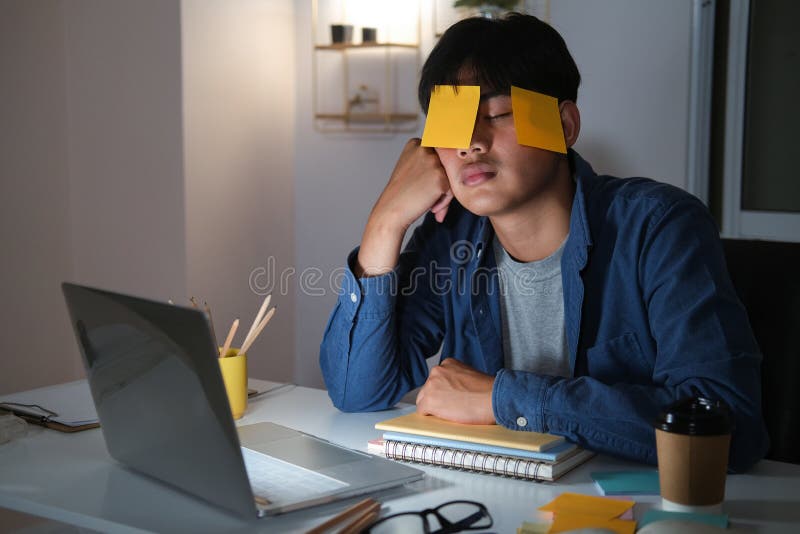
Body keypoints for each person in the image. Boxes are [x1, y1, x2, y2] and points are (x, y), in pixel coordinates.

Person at [319, 13, 768, 472]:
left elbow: (728, 427)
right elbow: (357, 391)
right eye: (450, 124)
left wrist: (501, 399)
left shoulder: (659, 227)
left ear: (565, 125)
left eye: (496, 114)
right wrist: (386, 221)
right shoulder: (451, 237)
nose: (470, 142)